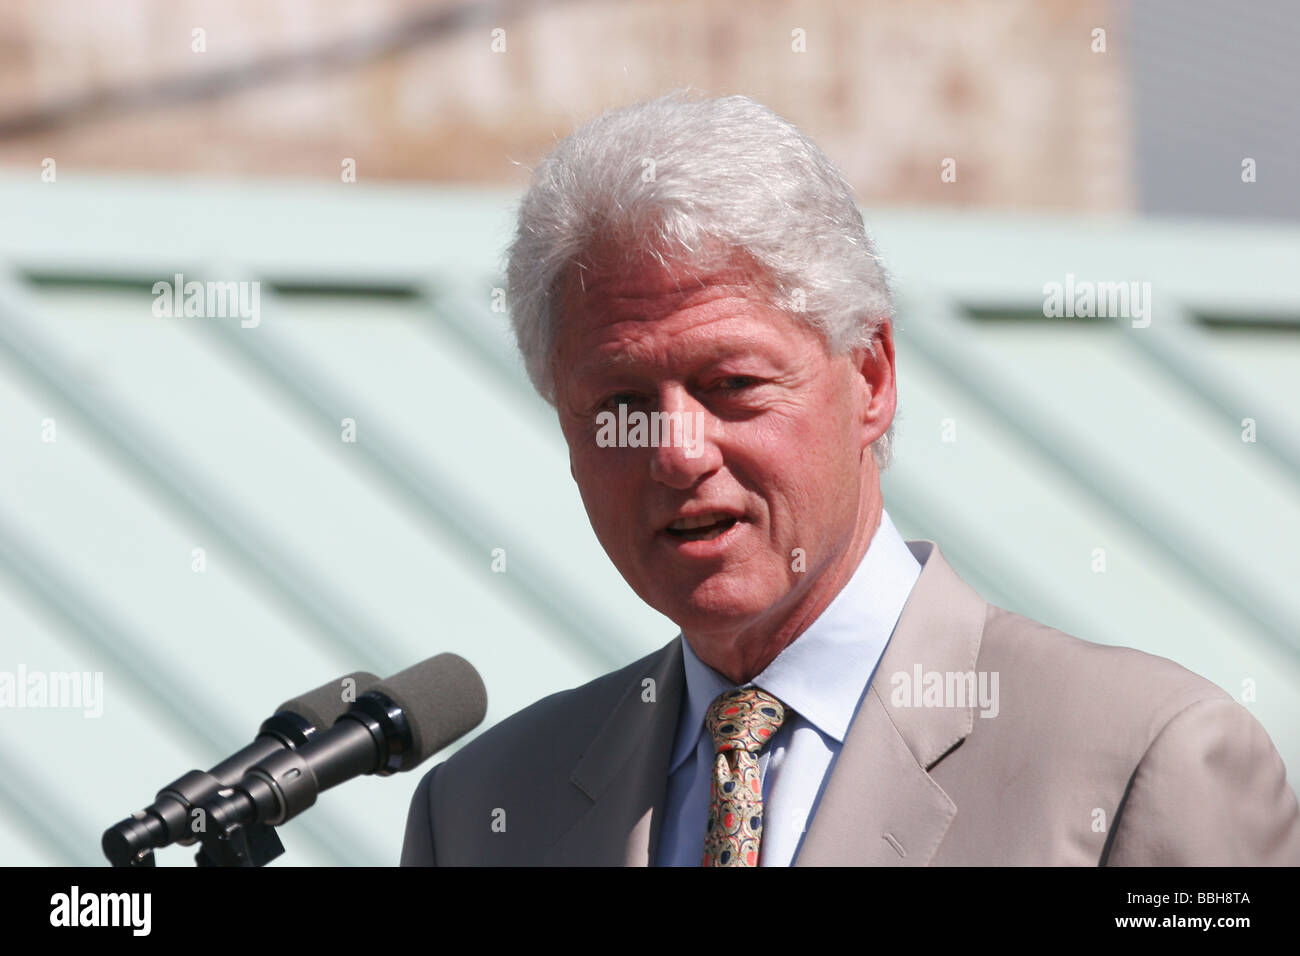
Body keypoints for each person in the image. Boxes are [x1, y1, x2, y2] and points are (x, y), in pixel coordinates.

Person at [401, 91, 1300, 866]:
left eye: (733, 385)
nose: (675, 450)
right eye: (619, 404)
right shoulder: (480, 814)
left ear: (870, 377)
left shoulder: (1149, 758)